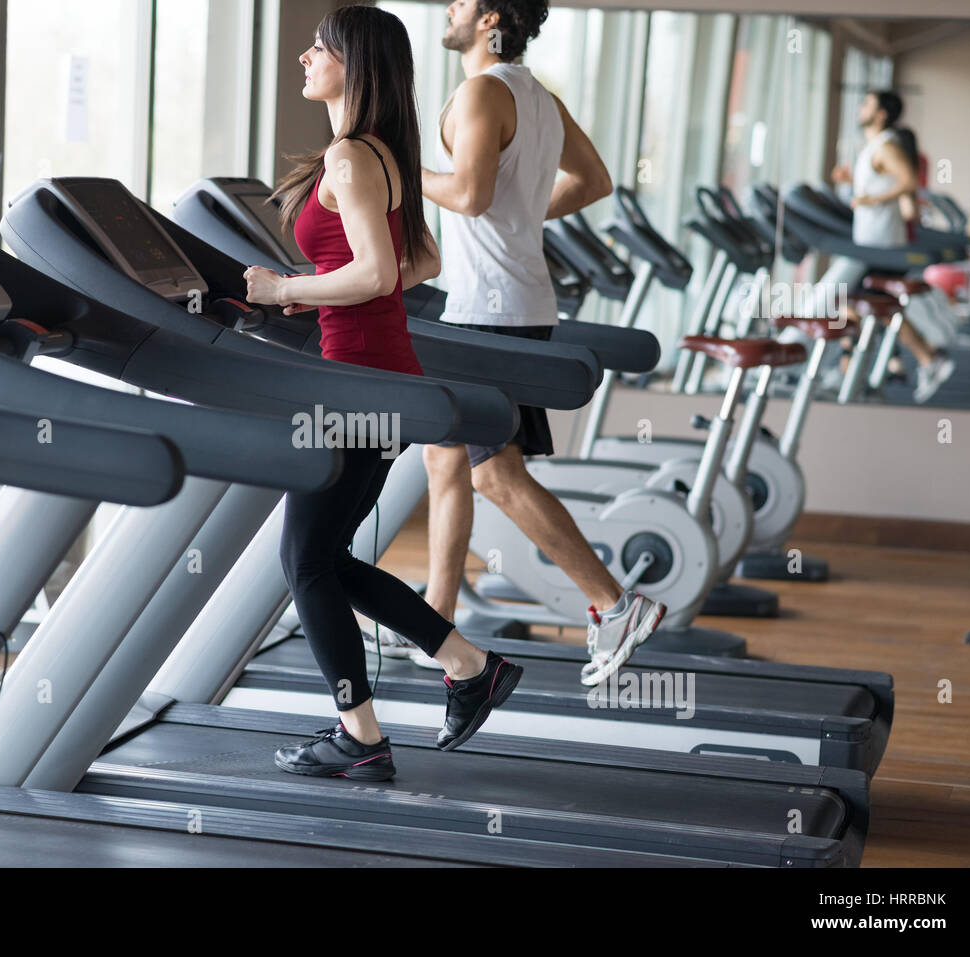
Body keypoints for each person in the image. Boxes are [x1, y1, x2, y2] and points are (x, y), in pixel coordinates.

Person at [243, 4, 524, 780]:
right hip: (377, 377)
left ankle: (364, 735)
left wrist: (284, 288)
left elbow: (375, 272)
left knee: (304, 561)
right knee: (322, 558)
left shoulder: (349, 159)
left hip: (359, 383)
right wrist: (328, 293)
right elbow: (420, 261)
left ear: (352, 64)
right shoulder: (381, 152)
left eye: (319, 48)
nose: (304, 57)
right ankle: (465, 666)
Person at [371, 0, 665, 688]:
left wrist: (397, 171)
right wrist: (523, 211)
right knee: (447, 463)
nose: (449, 7)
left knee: (493, 472)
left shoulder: (481, 92)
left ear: (490, 16)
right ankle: (434, 619)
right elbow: (594, 182)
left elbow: (470, 196)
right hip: (509, 301)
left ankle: (617, 604)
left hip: (490, 313)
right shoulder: (537, 98)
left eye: (462, 2)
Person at [826, 90, 954, 402]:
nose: (860, 108)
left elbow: (909, 181)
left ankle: (848, 374)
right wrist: (852, 183)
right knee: (862, 307)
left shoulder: (886, 146)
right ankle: (855, 373)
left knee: (849, 303)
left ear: (881, 113)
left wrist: (871, 199)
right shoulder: (874, 148)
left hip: (882, 245)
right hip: (875, 242)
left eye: (867, 104)